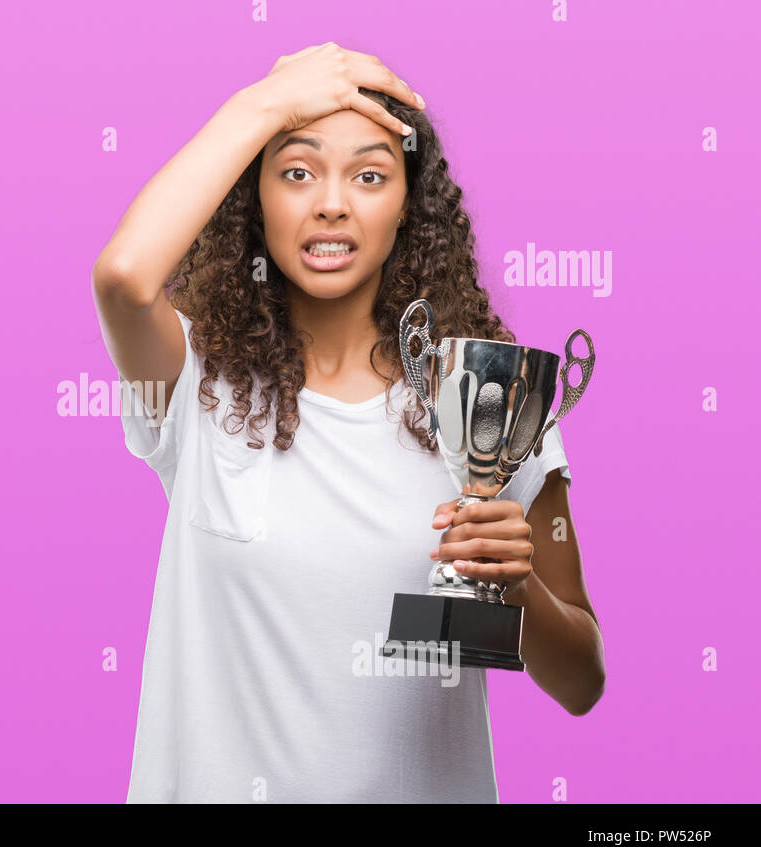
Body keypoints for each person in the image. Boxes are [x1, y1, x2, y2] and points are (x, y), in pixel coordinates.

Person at [91, 43, 606, 803]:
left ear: (407, 206)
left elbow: (581, 682)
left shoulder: (485, 403)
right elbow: (124, 277)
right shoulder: (197, 384)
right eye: (296, 171)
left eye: (369, 175)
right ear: (253, 196)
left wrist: (515, 588)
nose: (330, 204)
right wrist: (267, 102)